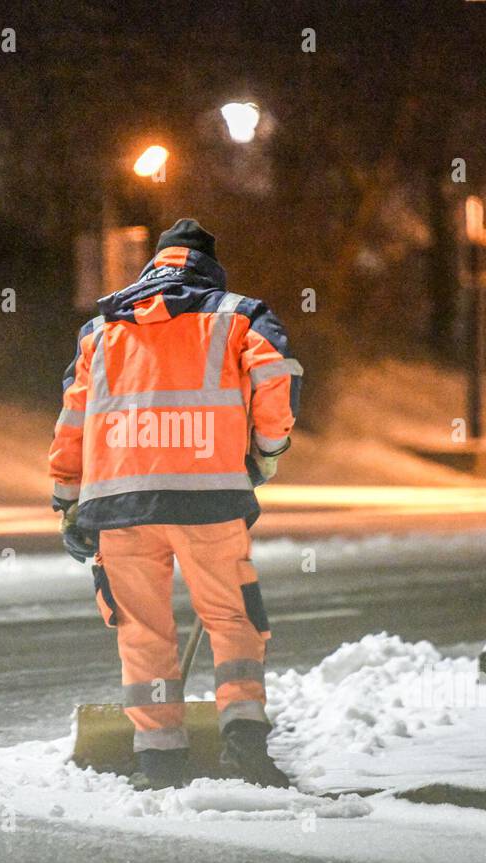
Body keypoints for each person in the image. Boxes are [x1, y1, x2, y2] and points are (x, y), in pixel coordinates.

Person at [48, 218, 301, 789]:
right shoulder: (240, 316)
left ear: (152, 267)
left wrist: (67, 497)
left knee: (142, 630)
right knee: (233, 618)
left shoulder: (101, 329)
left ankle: (160, 758)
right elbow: (275, 378)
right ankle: (243, 742)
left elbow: (73, 419)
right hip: (212, 501)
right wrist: (267, 448)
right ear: (210, 268)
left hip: (121, 505)